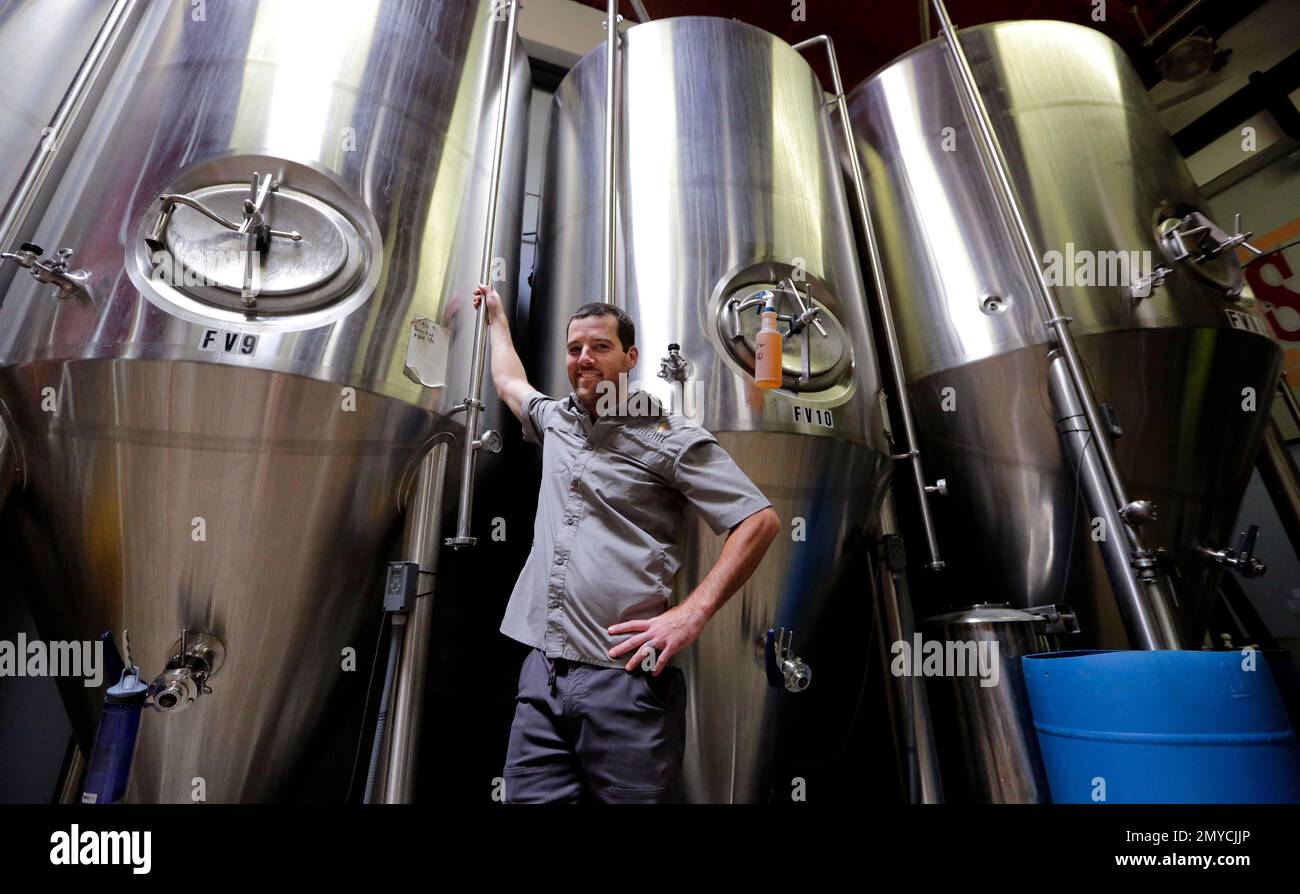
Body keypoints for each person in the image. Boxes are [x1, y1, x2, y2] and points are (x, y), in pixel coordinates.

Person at [472, 283, 779, 803]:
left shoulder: (670, 436)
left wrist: (691, 613)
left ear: (631, 357)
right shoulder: (558, 420)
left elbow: (760, 521)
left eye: (600, 347)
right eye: (574, 349)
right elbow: (508, 381)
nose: (584, 359)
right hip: (541, 675)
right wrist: (497, 317)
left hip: (624, 682)